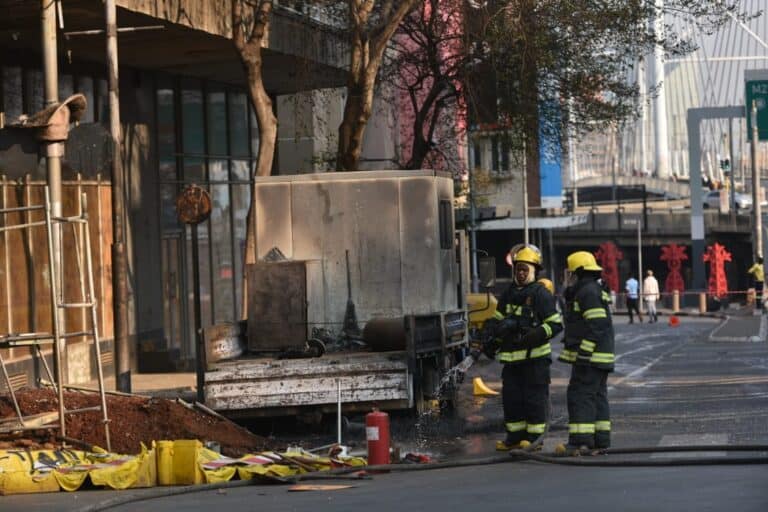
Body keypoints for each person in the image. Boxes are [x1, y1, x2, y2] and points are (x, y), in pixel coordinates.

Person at [485, 244, 563, 451]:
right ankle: (515, 437)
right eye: (518, 269)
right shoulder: (508, 294)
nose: (520, 273)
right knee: (512, 400)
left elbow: (555, 324)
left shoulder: (541, 295)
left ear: (534, 271)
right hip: (511, 361)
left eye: (525, 269)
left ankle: (534, 438)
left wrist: (534, 334)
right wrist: (491, 337)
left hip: (535, 360)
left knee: (533, 400)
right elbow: (498, 320)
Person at [558, 251, 616, 455]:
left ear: (580, 272)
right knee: (596, 396)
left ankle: (580, 441)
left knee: (580, 396)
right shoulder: (592, 289)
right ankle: (600, 440)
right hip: (599, 357)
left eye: (572, 273)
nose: (570, 278)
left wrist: (584, 353)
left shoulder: (587, 292)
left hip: (591, 358)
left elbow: (597, 325)